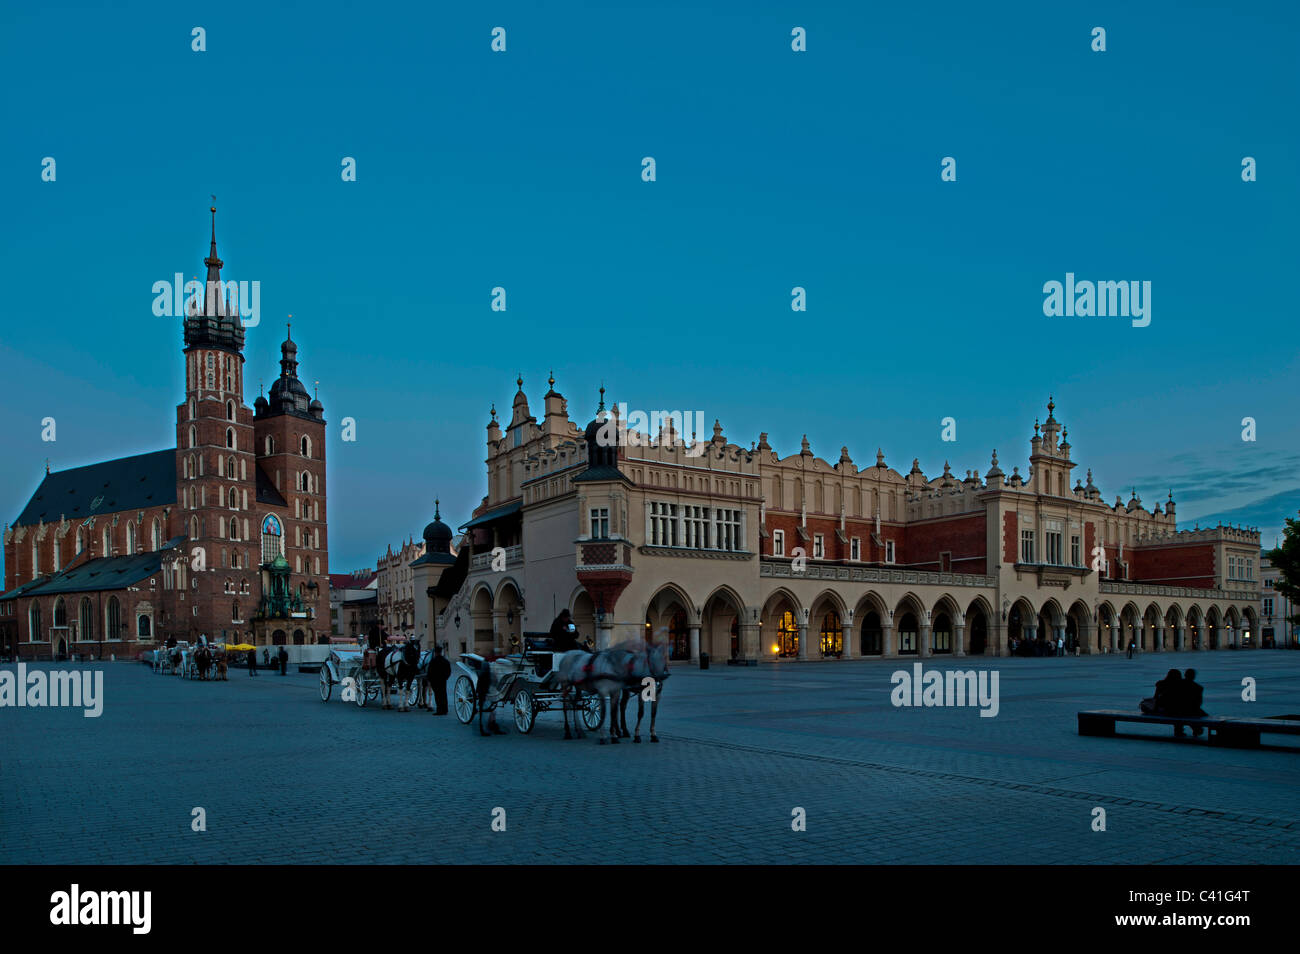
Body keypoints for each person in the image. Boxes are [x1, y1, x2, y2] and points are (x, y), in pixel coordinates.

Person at [1172, 668, 1207, 738]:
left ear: (1185, 675)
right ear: (1193, 676)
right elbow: (1199, 702)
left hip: (1177, 709)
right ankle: (1196, 728)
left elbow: (1173, 698)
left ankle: (1180, 730)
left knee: (1180, 711)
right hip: (1189, 709)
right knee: (1196, 713)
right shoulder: (1198, 688)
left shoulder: (1177, 684)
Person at [428, 645, 451, 714]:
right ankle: (445, 709)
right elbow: (449, 671)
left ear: (435, 652)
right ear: (441, 652)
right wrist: (445, 678)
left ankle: (439, 710)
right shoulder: (445, 661)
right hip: (443, 680)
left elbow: (430, 672)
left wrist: (430, 680)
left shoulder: (433, 661)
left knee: (438, 696)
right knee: (444, 694)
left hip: (435, 681)